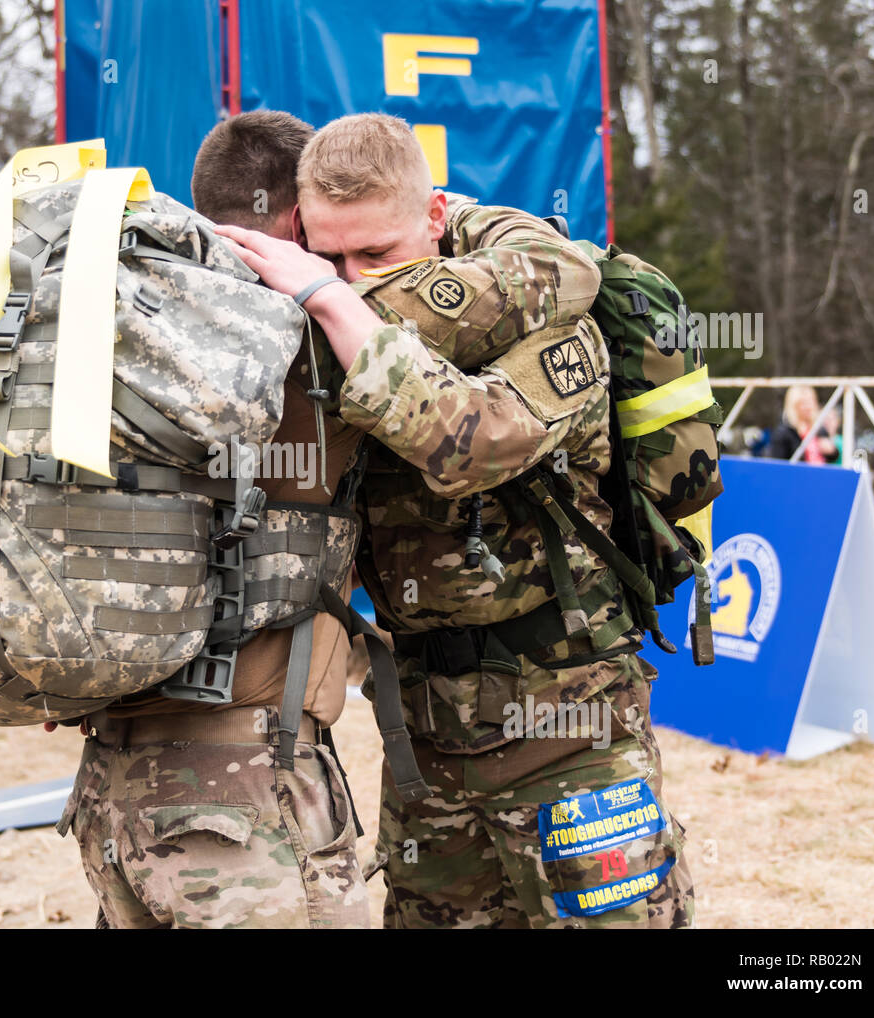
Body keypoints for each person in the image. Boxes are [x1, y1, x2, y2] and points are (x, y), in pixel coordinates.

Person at [218, 112, 695, 929]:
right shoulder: (321, 349)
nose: (353, 278)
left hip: (569, 735)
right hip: (427, 746)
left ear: (436, 220)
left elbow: (470, 440)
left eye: (378, 255)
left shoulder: (548, 326)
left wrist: (334, 300)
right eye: (329, 256)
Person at [54, 111, 372, 929]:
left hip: (110, 789)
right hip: (245, 799)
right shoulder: (309, 346)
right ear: (298, 217)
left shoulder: (117, 343)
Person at [766, 386, 837, 463]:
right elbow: (778, 461)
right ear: (793, 406)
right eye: (803, 403)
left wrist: (831, 451)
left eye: (810, 402)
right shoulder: (784, 433)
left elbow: (833, 456)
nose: (808, 407)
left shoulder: (820, 430)